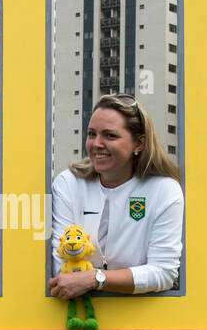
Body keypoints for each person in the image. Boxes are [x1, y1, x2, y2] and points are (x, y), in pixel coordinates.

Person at [48, 94, 183, 299]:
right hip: (77, 319)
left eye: (110, 136)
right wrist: (128, 278)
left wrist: (95, 278)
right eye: (91, 134)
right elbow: (62, 268)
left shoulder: (165, 190)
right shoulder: (68, 183)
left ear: (139, 143)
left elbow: (163, 272)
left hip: (142, 321)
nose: (97, 144)